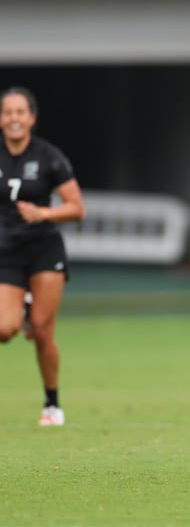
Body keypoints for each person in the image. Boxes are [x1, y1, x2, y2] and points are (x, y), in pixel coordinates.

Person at [0, 87, 85, 426]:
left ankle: (52, 404)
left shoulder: (49, 157)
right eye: (8, 112)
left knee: (42, 330)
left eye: (20, 112)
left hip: (43, 250)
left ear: (31, 118)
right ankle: (21, 309)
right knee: (4, 329)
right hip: (6, 251)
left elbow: (76, 207)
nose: (14, 118)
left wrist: (43, 213)